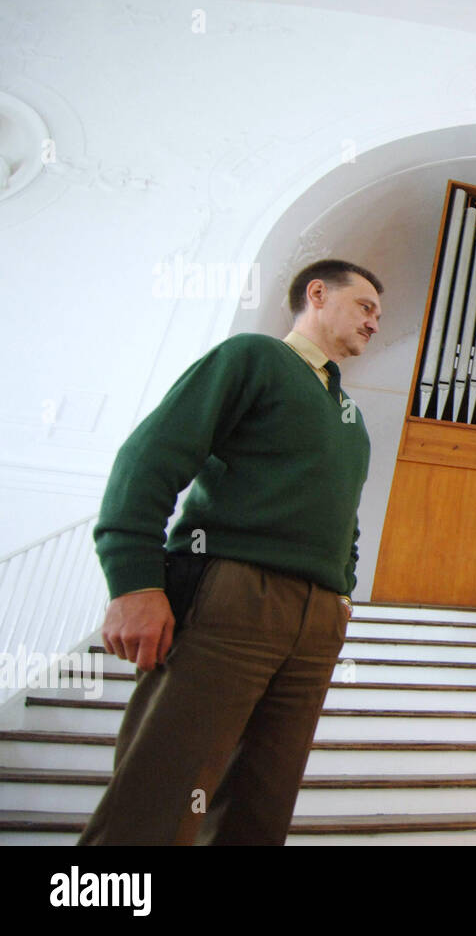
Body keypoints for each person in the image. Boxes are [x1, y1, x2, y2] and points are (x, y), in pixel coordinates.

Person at [78, 259, 383, 844]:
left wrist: (341, 596)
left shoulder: (352, 420)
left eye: (378, 314)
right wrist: (134, 581)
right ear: (317, 295)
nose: (374, 321)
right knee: (160, 798)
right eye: (365, 306)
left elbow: (346, 524)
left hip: (316, 622)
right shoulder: (252, 358)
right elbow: (149, 458)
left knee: (259, 807)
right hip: (233, 598)